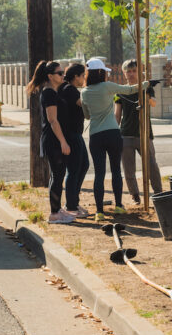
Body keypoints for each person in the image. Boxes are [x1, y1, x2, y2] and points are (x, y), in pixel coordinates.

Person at [80, 58, 157, 215]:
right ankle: (119, 205)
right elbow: (128, 90)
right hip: (113, 133)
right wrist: (146, 84)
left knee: (99, 173)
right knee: (116, 170)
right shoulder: (108, 87)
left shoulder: (85, 92)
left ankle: (99, 212)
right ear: (101, 73)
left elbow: (87, 115)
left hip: (95, 135)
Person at [27, 61, 77, 224]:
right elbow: (52, 120)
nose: (63, 75)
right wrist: (63, 142)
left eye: (63, 72)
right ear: (50, 76)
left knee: (57, 175)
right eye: (59, 73)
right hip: (54, 141)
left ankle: (56, 210)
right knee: (57, 176)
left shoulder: (53, 92)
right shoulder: (48, 93)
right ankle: (54, 214)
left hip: (55, 140)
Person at [115, 59, 163, 205]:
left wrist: (146, 90)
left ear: (139, 71)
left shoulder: (146, 87)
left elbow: (153, 103)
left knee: (152, 166)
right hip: (126, 135)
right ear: (124, 73)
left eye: (134, 70)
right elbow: (117, 114)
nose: (131, 74)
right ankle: (135, 195)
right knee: (128, 169)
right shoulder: (120, 91)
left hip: (144, 134)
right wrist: (115, 132)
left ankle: (159, 193)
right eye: (128, 71)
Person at [60, 63, 91, 219]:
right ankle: (71, 206)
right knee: (74, 170)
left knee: (83, 165)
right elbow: (84, 106)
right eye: (82, 75)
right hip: (72, 135)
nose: (84, 78)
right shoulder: (70, 90)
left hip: (75, 134)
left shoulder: (68, 89)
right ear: (76, 76)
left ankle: (73, 201)